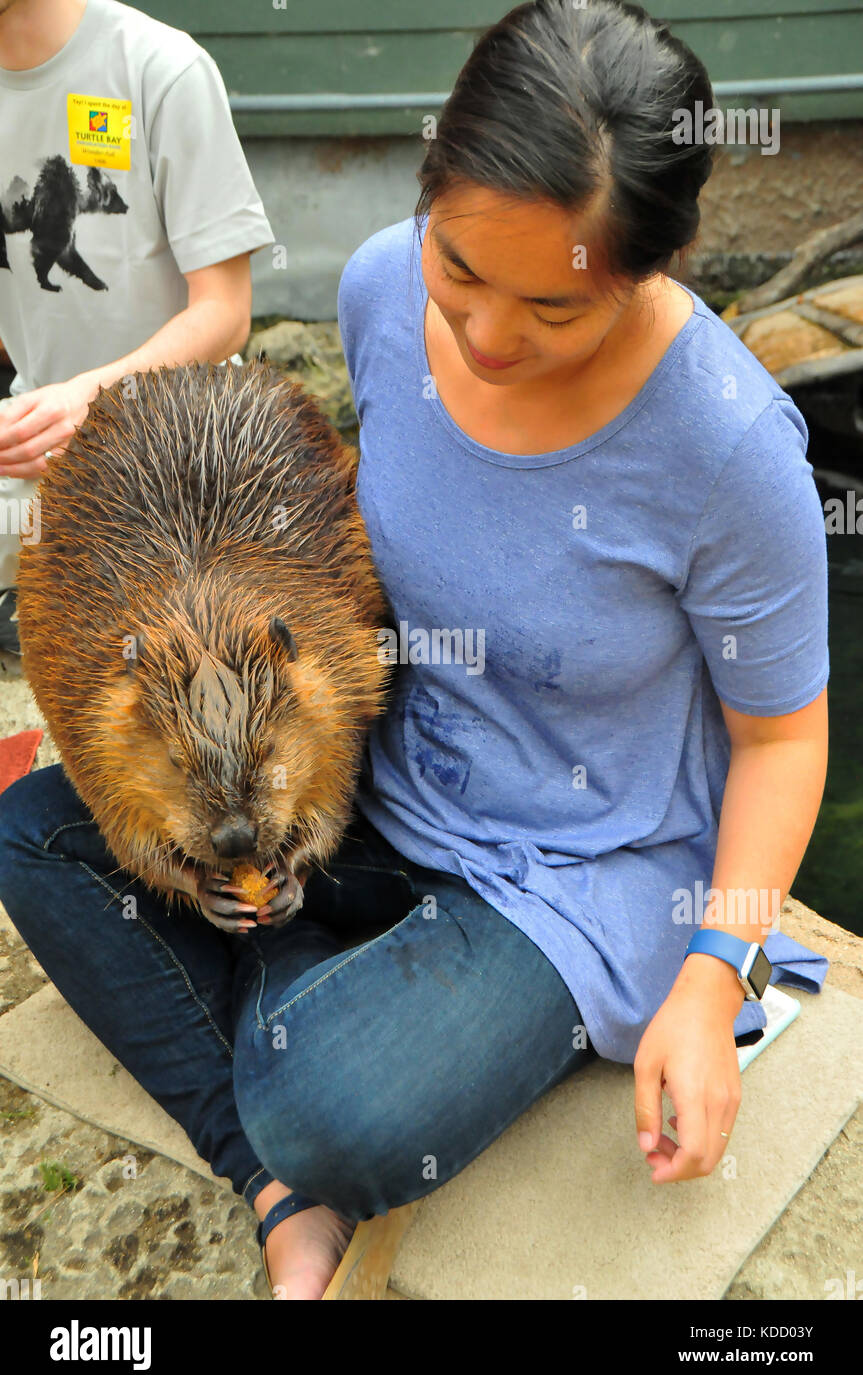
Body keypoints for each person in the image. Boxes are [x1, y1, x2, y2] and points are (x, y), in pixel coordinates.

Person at [0, 0, 830, 1300]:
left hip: (574, 869)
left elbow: (780, 738)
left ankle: (291, 1068)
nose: (485, 337)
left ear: (653, 262)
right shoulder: (380, 289)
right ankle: (277, 1153)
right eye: (459, 267)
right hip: (371, 787)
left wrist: (712, 971)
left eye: (551, 304)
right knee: (32, 834)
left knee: (331, 1104)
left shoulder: (728, 448)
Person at [0, 0, 274, 654]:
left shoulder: (162, 69)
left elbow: (226, 310)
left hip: (192, 442)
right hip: (34, 440)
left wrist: (91, 400)